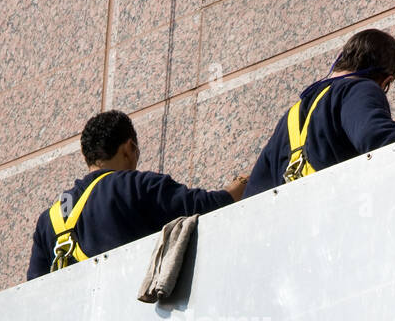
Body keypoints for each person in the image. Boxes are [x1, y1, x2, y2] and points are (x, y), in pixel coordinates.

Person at [26, 110, 247, 280]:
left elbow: (35, 291)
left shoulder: (49, 221)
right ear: (128, 148)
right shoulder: (135, 186)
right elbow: (208, 207)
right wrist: (241, 184)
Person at [244, 28, 395, 199]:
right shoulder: (358, 89)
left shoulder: (289, 118)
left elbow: (252, 195)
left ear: (340, 59)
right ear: (386, 81)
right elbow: (380, 140)